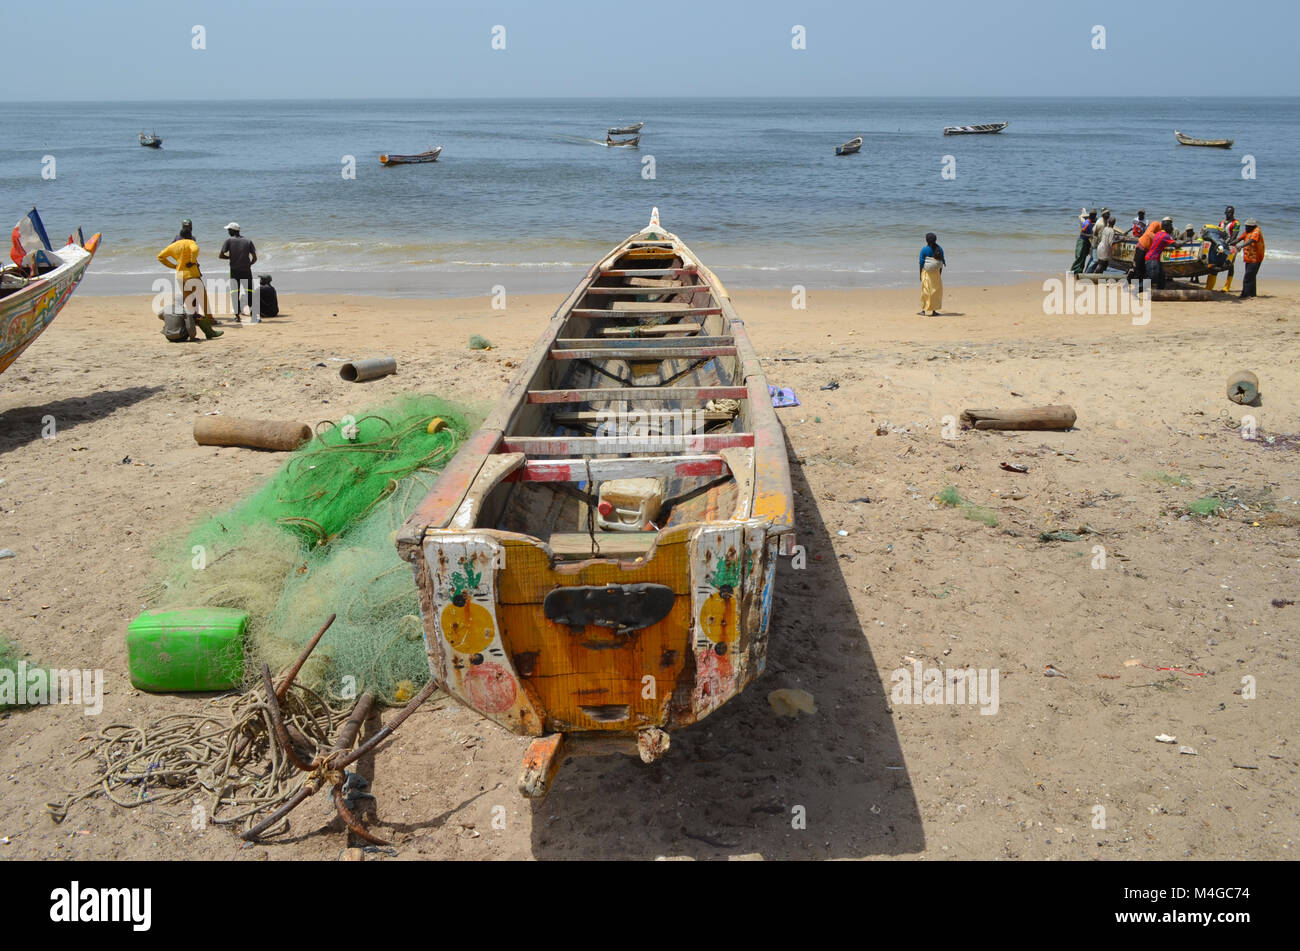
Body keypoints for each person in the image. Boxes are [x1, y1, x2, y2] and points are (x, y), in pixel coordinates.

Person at [157, 220, 222, 339]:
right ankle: (211, 320)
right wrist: (192, 261)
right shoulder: (191, 241)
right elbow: (195, 249)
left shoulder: (174, 244)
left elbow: (160, 256)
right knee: (203, 298)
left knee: (188, 301)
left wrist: (174, 266)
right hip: (192, 274)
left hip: (180, 275)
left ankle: (191, 321)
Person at [218, 222, 257, 319]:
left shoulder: (229, 241)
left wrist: (231, 258)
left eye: (228, 230)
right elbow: (255, 258)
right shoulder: (248, 241)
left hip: (234, 271)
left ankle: (237, 316)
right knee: (249, 291)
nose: (228, 232)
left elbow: (221, 255)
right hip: (246, 271)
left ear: (232, 231)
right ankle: (253, 313)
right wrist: (249, 264)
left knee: (235, 292)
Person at [1205, 206, 1241, 292]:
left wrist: (1228, 243)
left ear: (1233, 213)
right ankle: (1209, 286)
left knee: (1230, 265)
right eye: (1227, 212)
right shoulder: (1221, 222)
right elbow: (1217, 233)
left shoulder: (1236, 223)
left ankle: (1227, 287)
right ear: (1225, 213)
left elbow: (1234, 235)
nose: (1229, 214)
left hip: (1231, 245)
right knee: (1215, 264)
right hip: (1220, 245)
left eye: (1230, 213)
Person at [1230, 219, 1264, 298]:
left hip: (1256, 258)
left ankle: (1245, 294)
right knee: (1251, 276)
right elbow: (1240, 238)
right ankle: (1252, 294)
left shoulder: (1256, 231)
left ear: (1252, 226)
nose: (1245, 228)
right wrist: (1232, 243)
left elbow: (1251, 241)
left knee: (1248, 277)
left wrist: (1241, 246)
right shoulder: (1248, 231)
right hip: (1249, 257)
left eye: (1247, 227)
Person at [1128, 215, 1162, 291]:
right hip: (1141, 247)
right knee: (1138, 267)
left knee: (1143, 269)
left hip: (1147, 250)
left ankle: (1139, 286)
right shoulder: (1156, 224)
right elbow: (1149, 233)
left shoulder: (1163, 232)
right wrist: (1158, 239)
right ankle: (1135, 285)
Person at [1145, 218, 1176, 291]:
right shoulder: (1166, 236)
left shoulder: (1158, 233)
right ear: (1166, 227)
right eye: (1171, 226)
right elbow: (1177, 245)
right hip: (1152, 259)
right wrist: (1186, 241)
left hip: (1154, 258)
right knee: (1152, 279)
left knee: (1162, 277)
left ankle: (1160, 292)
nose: (1172, 228)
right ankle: (1136, 290)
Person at [918, 233, 945, 316]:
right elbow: (942, 262)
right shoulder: (939, 249)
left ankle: (923, 310)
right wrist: (939, 274)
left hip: (927, 273)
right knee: (935, 292)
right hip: (936, 273)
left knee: (925, 291)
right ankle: (934, 311)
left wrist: (920, 274)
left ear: (926, 240)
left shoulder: (924, 249)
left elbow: (921, 263)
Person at [1072, 209, 1097, 274]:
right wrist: (1090, 235)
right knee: (1080, 257)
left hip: (1086, 241)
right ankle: (1073, 271)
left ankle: (1079, 272)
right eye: (1094, 216)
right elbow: (1082, 233)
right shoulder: (1086, 223)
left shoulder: (1090, 223)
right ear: (1092, 216)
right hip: (1082, 241)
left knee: (1083, 258)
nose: (1095, 217)